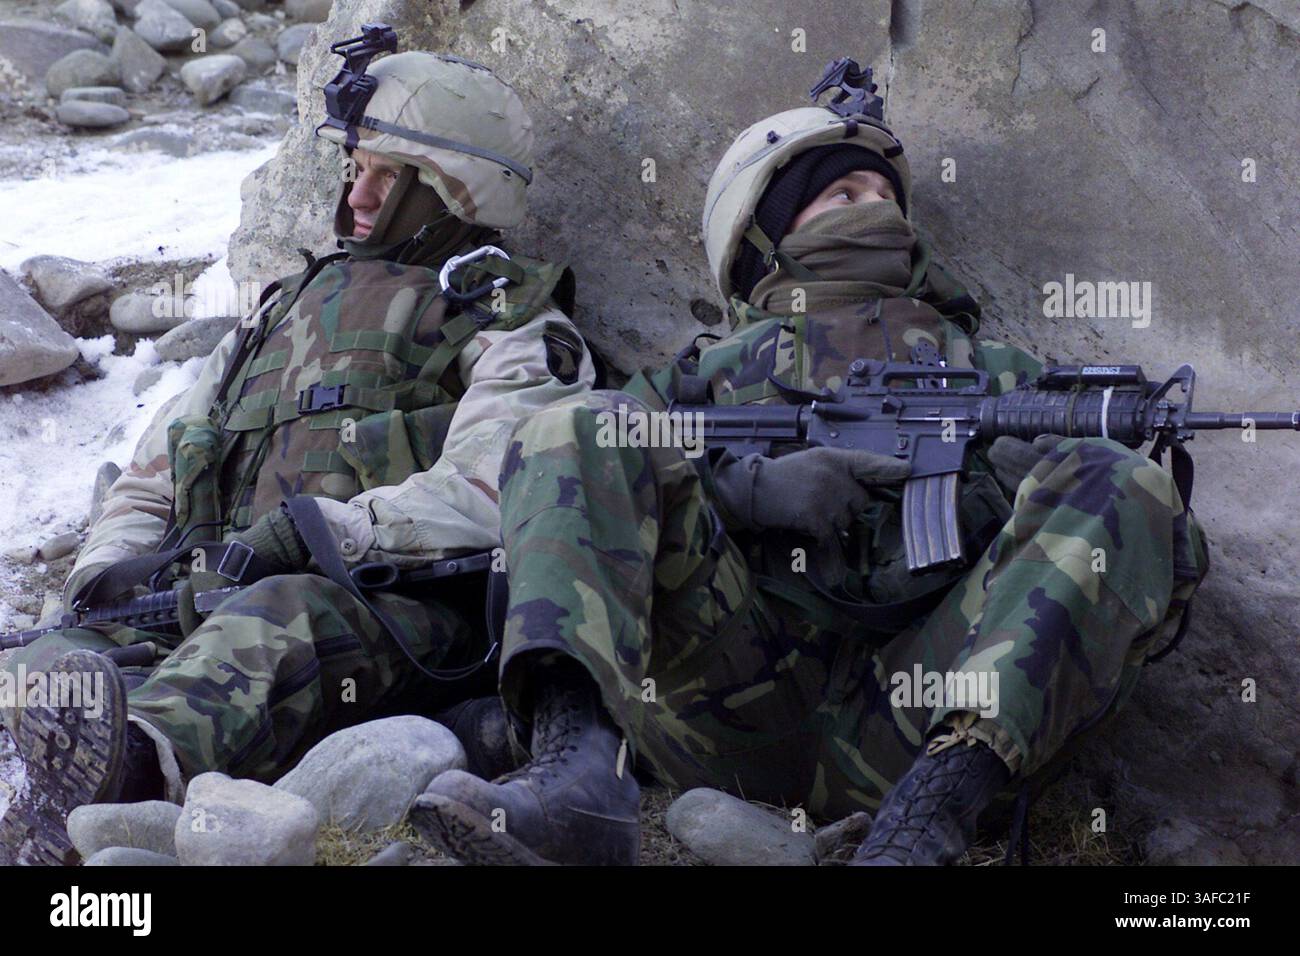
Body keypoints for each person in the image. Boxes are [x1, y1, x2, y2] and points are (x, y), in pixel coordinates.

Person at [409, 60, 1209, 866]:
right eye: (841, 196)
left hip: (917, 720)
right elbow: (551, 495)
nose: (873, 209)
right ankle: (571, 781)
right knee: (576, 430)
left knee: (1119, 480)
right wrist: (744, 492)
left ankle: (924, 829)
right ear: (764, 232)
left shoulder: (997, 372)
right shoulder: (699, 379)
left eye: (882, 195)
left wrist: (1003, 496)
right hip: (719, 704)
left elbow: (1132, 561)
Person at [0, 45, 595, 866]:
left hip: (395, 615)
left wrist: (324, 532)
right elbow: (153, 475)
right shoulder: (278, 314)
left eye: (388, 177)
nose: (357, 195)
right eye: (355, 167)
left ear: (457, 190)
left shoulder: (508, 322)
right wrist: (105, 575)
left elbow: (504, 486)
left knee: (280, 617)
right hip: (201, 599)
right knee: (50, 658)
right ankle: (39, 775)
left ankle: (123, 772)